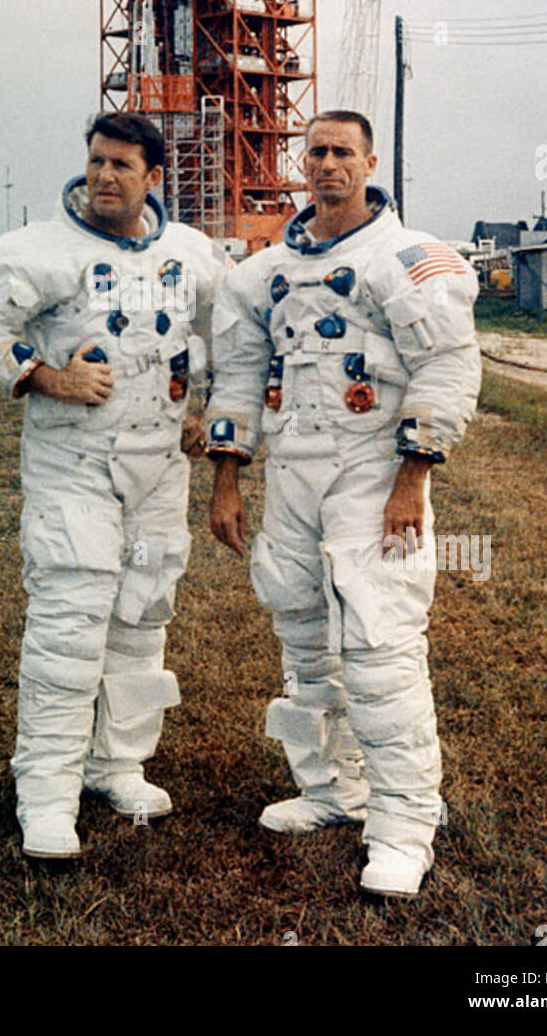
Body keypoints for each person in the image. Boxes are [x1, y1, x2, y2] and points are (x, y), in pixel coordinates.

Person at [206, 111, 480, 897]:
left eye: (340, 153)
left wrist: (411, 479)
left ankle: (402, 826)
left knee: (378, 644)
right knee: (300, 634)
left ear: (366, 162)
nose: (326, 164)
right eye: (315, 152)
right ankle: (331, 788)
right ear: (302, 162)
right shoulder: (259, 275)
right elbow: (235, 376)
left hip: (371, 471)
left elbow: (445, 369)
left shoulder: (409, 258)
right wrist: (227, 479)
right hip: (293, 470)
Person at [0, 112, 227, 859]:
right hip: (74, 463)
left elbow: (230, 334)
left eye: (122, 165)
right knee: (71, 624)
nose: (105, 176)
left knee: (141, 619)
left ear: (153, 178)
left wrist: (207, 409)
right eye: (96, 161)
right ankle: (45, 793)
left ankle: (118, 764)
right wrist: (44, 375)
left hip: (158, 466)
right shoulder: (38, 251)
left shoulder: (191, 252)